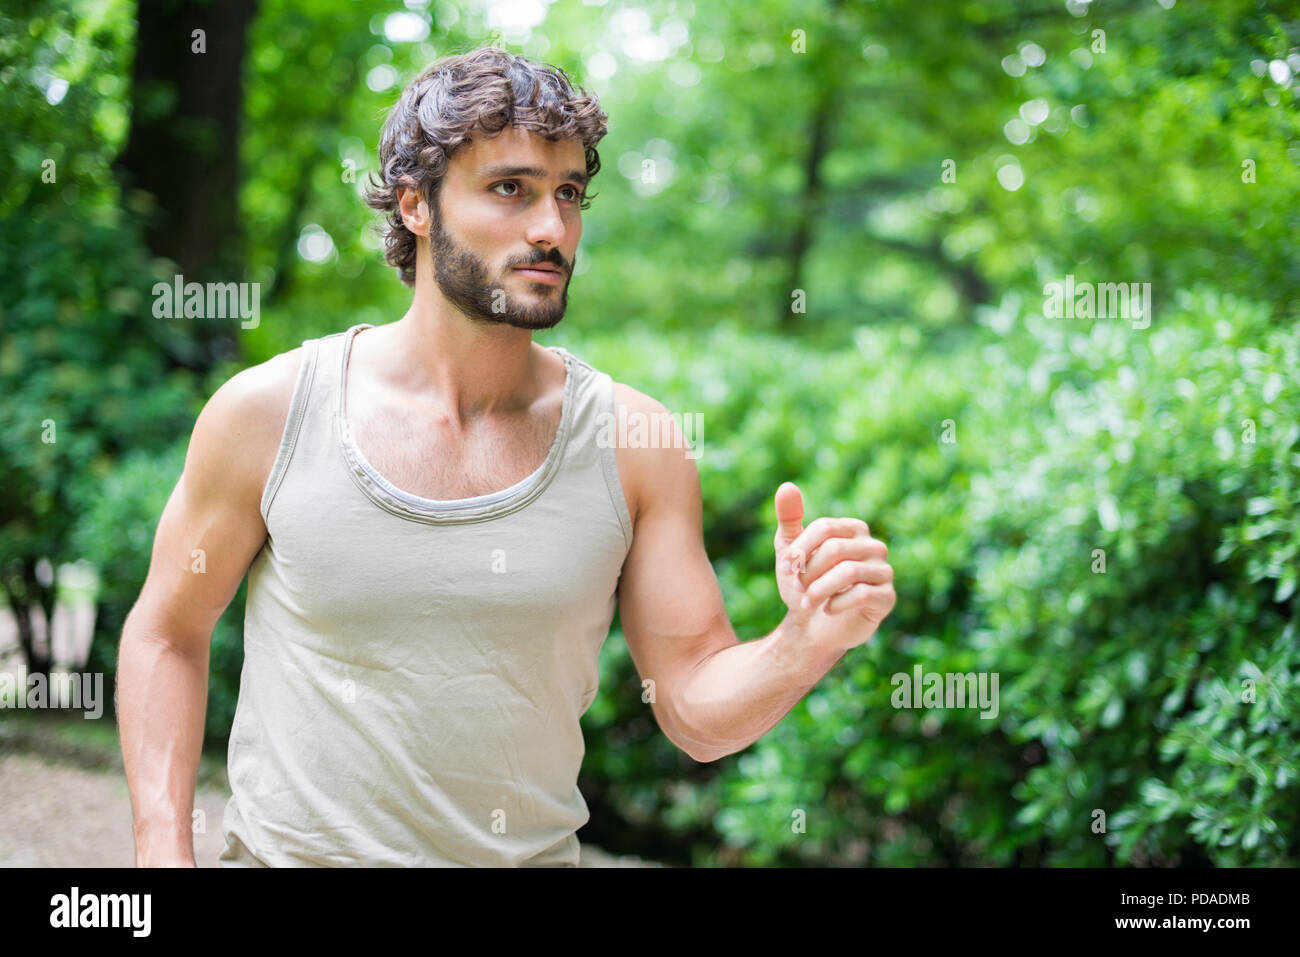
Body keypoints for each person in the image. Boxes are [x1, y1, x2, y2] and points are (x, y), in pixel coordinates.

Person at [118, 46, 896, 868]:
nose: (551, 229)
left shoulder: (636, 443)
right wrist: (162, 856)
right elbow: (167, 633)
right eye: (510, 189)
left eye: (567, 194)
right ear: (416, 206)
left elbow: (694, 708)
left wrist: (807, 639)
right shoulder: (268, 414)